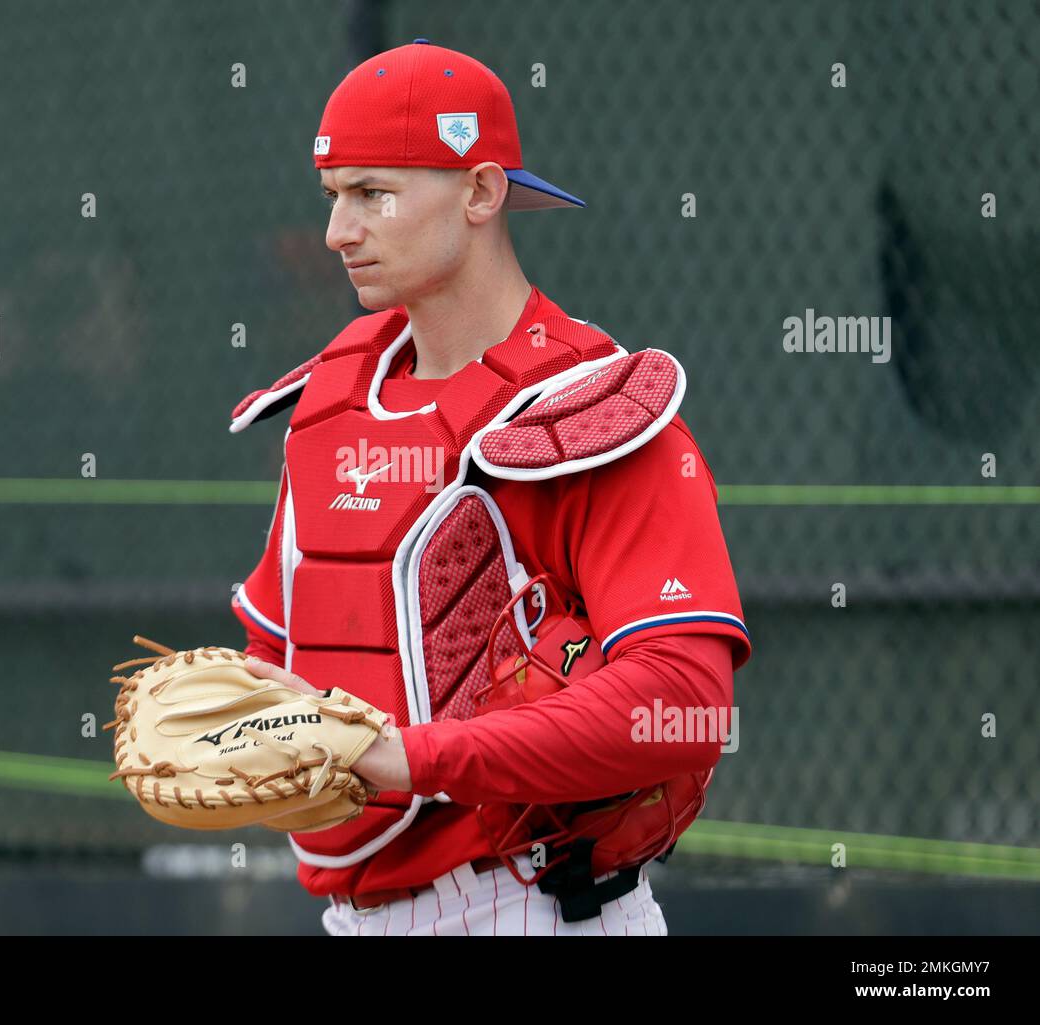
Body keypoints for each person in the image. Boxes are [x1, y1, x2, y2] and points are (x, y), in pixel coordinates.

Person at [229, 39, 750, 936]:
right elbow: (285, 657)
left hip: (533, 906)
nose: (337, 232)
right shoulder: (332, 405)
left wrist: (413, 756)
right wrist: (230, 731)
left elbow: (682, 704)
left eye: (373, 194)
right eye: (332, 196)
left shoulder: (592, 409)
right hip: (352, 917)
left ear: (479, 191)